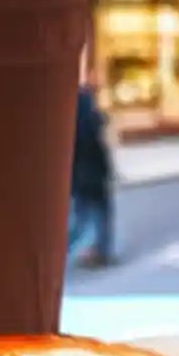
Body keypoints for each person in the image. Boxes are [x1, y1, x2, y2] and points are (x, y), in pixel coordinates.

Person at [67, 75, 114, 268]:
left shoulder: (73, 121)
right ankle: (101, 250)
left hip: (81, 174)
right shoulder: (90, 120)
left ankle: (59, 251)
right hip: (93, 174)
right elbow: (99, 149)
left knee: (82, 216)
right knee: (98, 214)